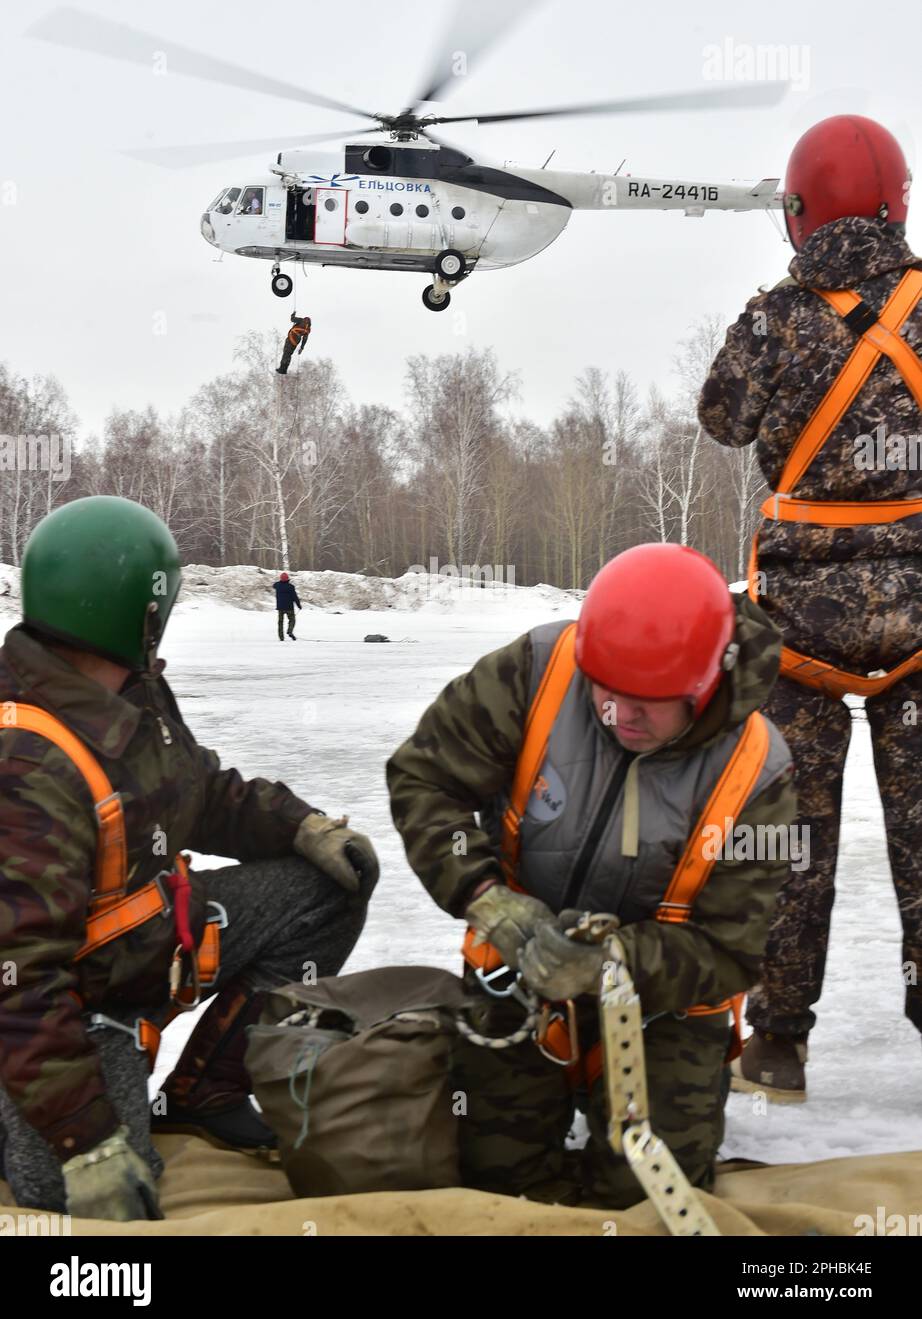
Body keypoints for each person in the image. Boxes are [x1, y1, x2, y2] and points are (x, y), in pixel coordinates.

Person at [0, 496, 379, 1221]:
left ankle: (206, 1088)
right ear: (144, 616)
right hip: (66, 998)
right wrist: (85, 1139)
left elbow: (198, 794)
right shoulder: (27, 765)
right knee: (86, 1189)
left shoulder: (131, 691)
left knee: (329, 889)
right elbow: (18, 980)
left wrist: (302, 828)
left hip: (140, 943)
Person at [387, 544, 796, 1208]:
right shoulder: (535, 671)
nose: (618, 716)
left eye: (649, 704)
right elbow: (425, 777)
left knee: (642, 1201)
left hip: (665, 1006)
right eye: (606, 693)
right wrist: (486, 898)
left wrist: (609, 963)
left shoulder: (761, 774)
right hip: (515, 972)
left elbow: (729, 951)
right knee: (492, 1186)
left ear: (709, 681)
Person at [699, 115, 922, 1102]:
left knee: (793, 846)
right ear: (897, 203)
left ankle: (778, 1045)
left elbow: (719, 417)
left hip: (800, 636)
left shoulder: (775, 315)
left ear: (797, 212)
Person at [272, 571, 302, 641]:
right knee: (292, 620)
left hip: (280, 607)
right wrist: (299, 605)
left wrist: (279, 582)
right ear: (287, 579)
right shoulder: (291, 587)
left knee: (280, 622)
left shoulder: (277, 585)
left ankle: (281, 638)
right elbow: (295, 597)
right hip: (289, 607)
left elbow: (274, 585)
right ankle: (290, 631)